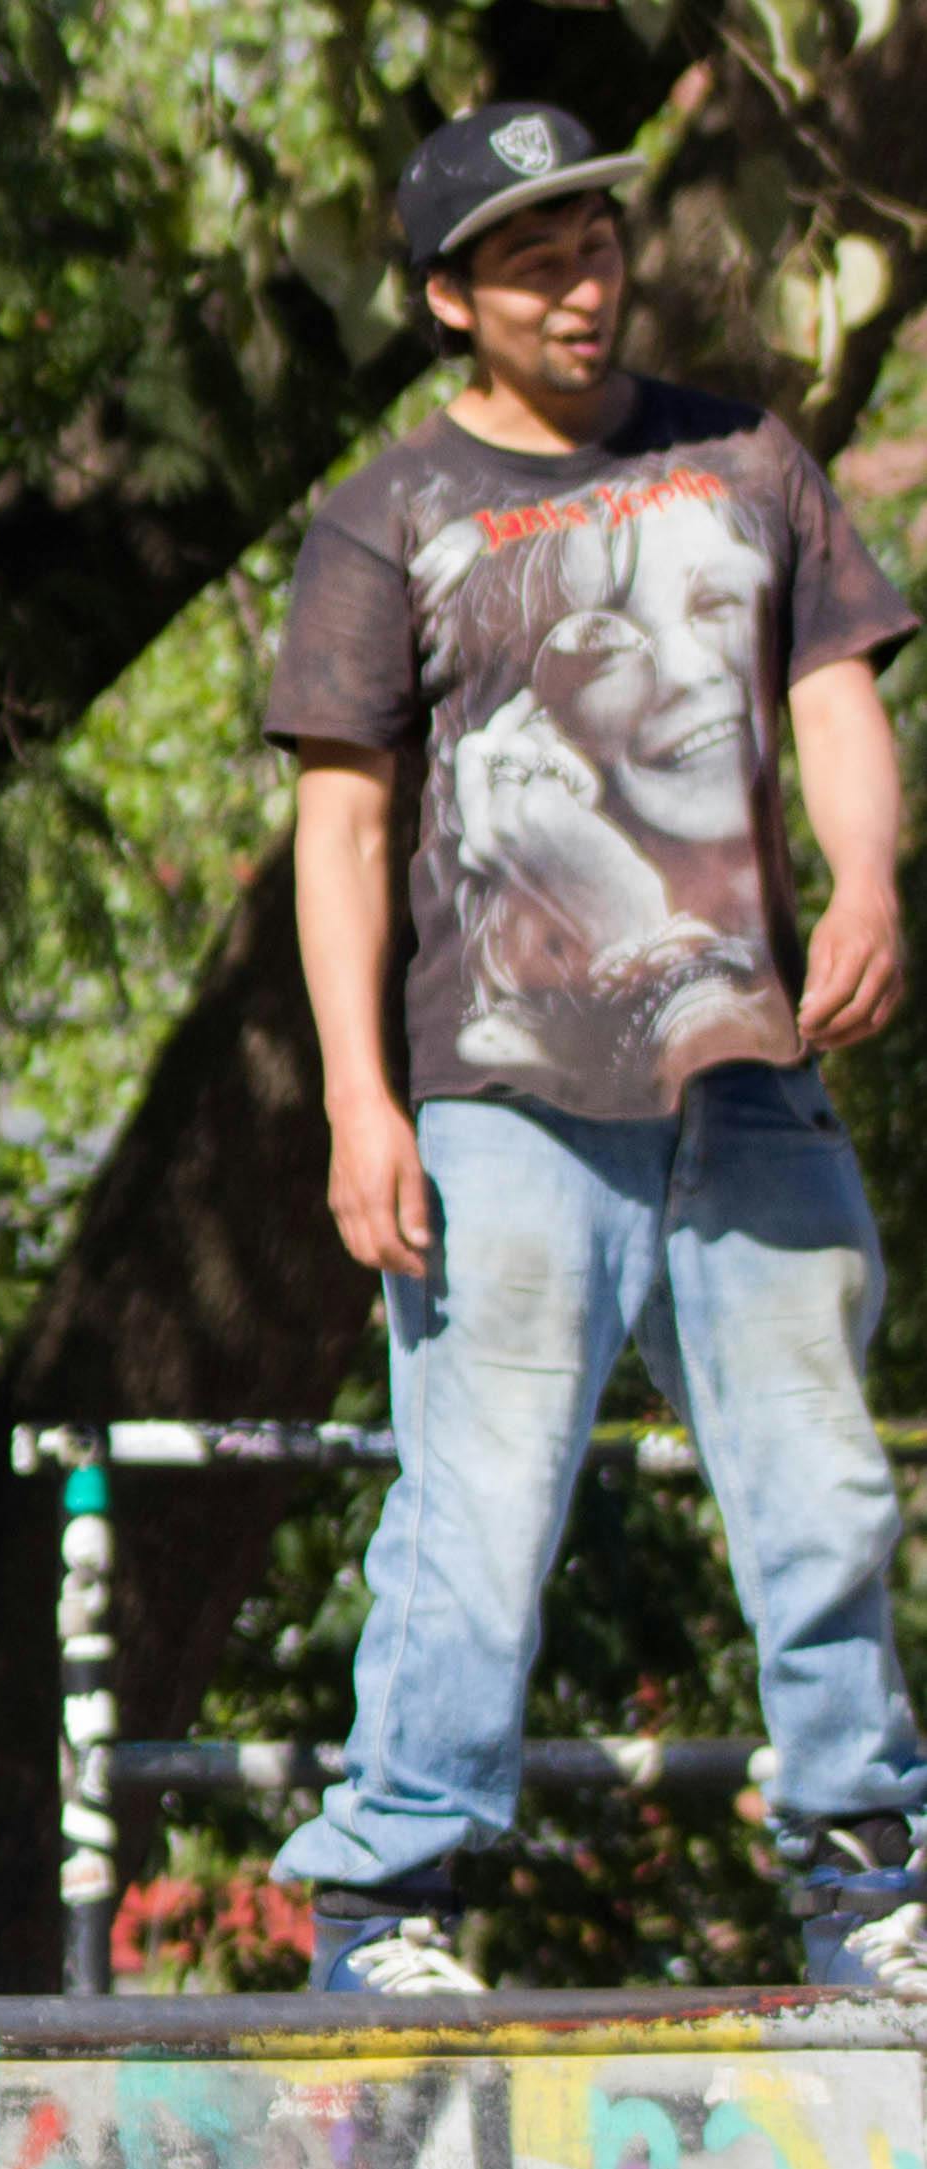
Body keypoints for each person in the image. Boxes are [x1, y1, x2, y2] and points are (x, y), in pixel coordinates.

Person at [268, 101, 924, 1993]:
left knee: (821, 1494)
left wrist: (866, 877)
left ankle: (868, 1883)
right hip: (496, 1097)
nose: (583, 280)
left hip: (747, 1072)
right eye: (536, 256)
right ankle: (386, 1901)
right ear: (449, 296)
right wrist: (356, 1099)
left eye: (598, 242)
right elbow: (344, 832)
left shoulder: (745, 456)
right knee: (476, 1510)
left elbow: (833, 689)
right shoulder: (388, 516)